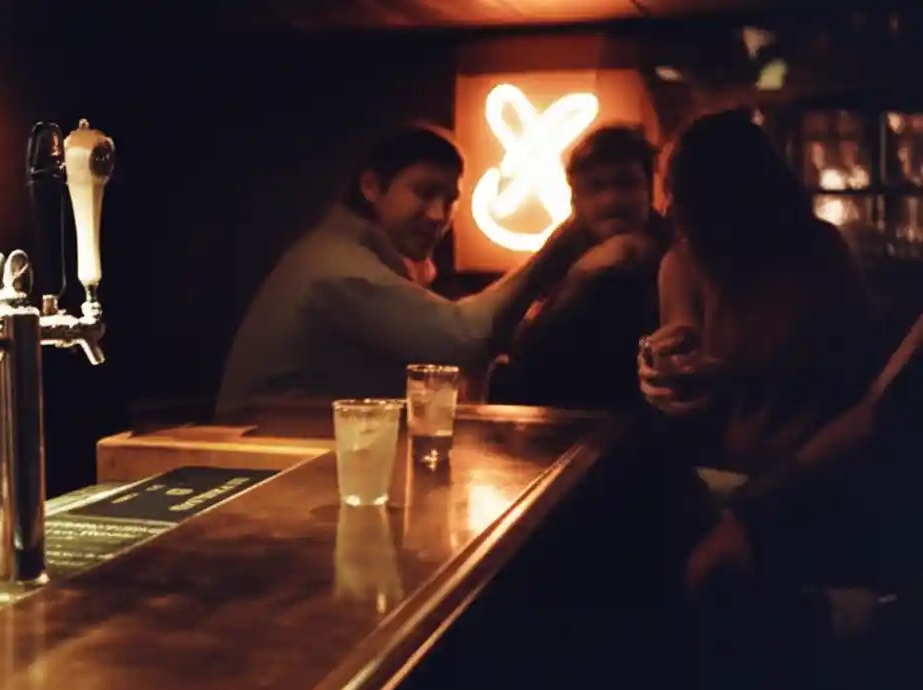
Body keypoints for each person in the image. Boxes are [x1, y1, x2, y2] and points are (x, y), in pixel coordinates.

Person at [214, 123, 590, 420]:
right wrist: (570, 236)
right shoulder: (341, 270)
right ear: (371, 186)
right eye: (424, 193)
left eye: (449, 200)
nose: (438, 215)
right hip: (263, 465)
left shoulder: (338, 254)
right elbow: (465, 340)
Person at [637, 109, 879, 474]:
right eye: (667, 188)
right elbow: (681, 346)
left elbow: (860, 367)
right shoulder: (682, 263)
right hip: (728, 472)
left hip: (826, 464)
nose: (667, 207)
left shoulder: (817, 250)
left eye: (681, 190)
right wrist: (655, 364)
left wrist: (730, 373)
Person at [495, 125, 672, 409]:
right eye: (596, 187)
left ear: (650, 192)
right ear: (574, 201)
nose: (612, 200)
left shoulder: (678, 259)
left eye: (626, 184)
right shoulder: (560, 258)